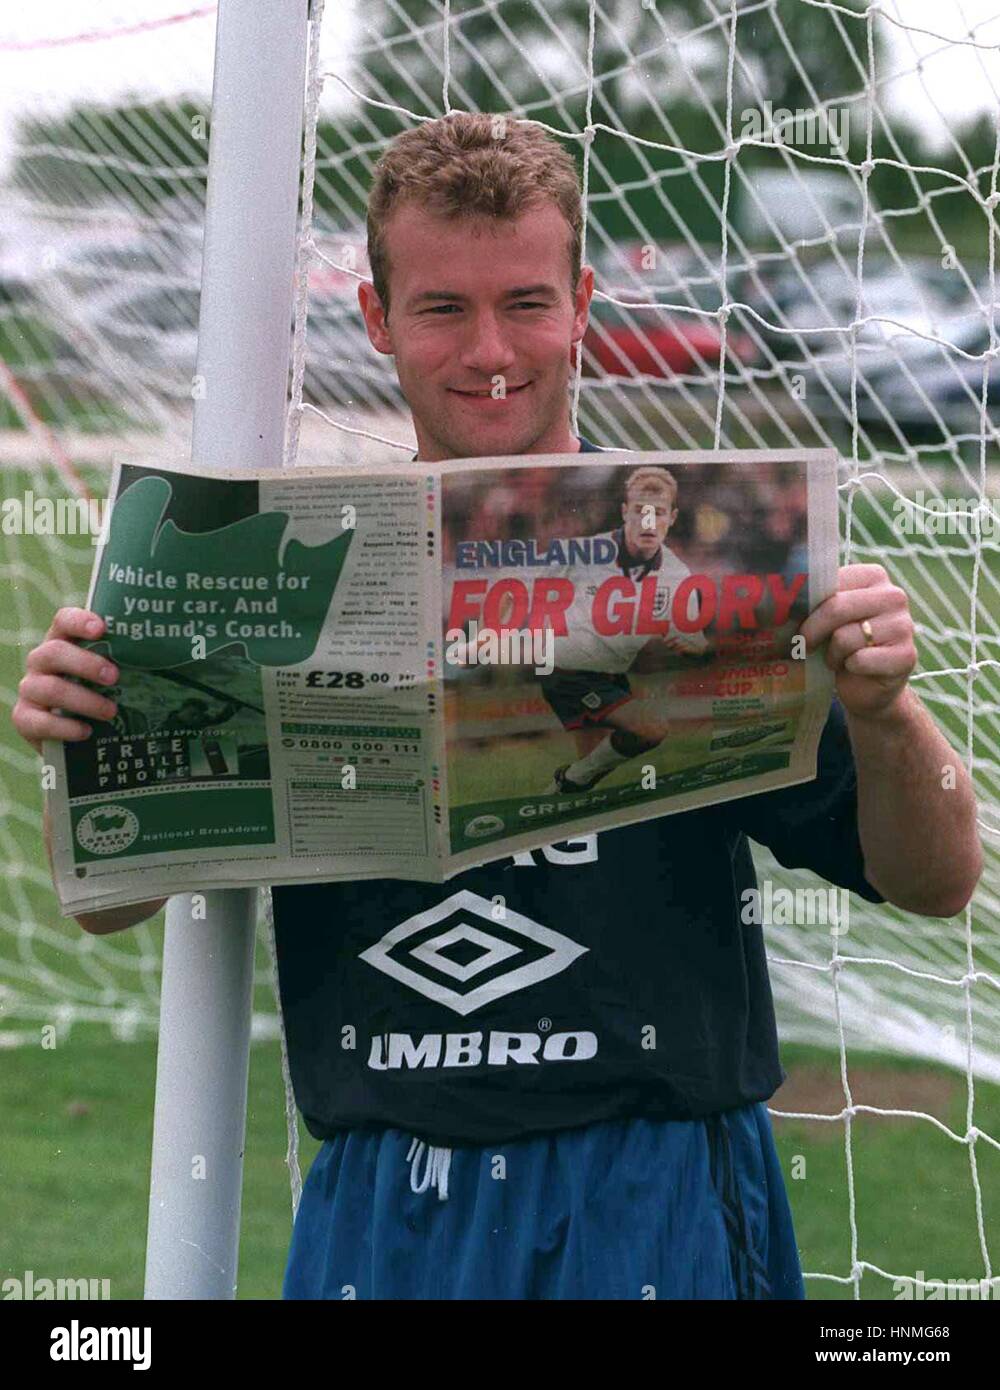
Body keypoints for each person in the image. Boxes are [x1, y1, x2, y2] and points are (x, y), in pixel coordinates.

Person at [12, 113, 983, 1301]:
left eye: (524, 302)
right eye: (440, 308)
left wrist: (888, 715)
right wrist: (95, 736)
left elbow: (936, 881)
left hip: (653, 1181)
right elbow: (115, 906)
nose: (489, 351)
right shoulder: (268, 580)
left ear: (581, 302)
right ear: (375, 319)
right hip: (381, 1192)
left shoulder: (708, 555)